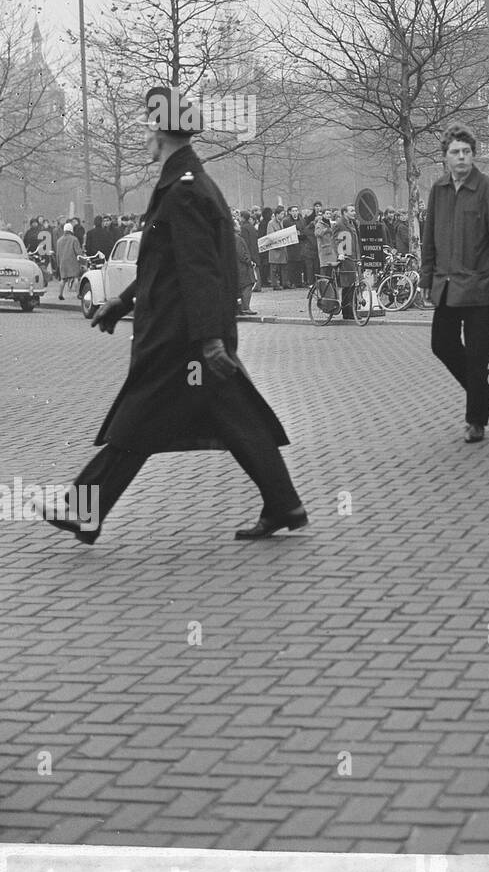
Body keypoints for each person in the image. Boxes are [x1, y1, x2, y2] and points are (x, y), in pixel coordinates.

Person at [44, 86, 306, 544]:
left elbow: (199, 271)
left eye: (149, 126)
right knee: (236, 419)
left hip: (181, 337)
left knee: (139, 421)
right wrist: (121, 303)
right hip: (191, 333)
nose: (145, 134)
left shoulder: (183, 191)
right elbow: (163, 265)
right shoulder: (186, 185)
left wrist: (208, 340)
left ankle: (82, 509)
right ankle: (284, 503)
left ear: (163, 132)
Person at [420, 126, 489, 443]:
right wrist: (425, 276)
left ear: (473, 155)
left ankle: (476, 420)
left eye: (466, 152)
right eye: (455, 152)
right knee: (441, 344)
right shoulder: (438, 190)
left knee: (479, 355)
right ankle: (483, 391)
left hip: (480, 285)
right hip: (445, 284)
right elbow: (430, 235)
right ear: (445, 157)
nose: (461, 158)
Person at [55, 222, 83, 300]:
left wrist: (58, 264)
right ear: (71, 230)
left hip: (62, 262)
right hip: (72, 261)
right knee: (75, 278)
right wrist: (82, 259)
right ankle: (78, 294)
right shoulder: (74, 239)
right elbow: (78, 252)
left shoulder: (59, 241)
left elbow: (57, 254)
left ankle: (60, 294)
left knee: (63, 279)